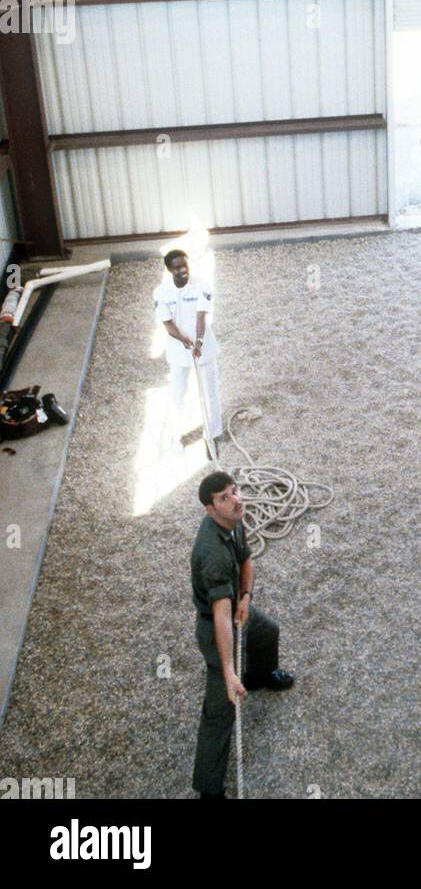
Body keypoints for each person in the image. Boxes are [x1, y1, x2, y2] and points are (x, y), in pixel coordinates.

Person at [191, 471, 294, 799]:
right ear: (210, 509)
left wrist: (246, 598)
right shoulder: (214, 553)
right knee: (221, 708)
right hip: (216, 626)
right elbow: (221, 618)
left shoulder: (234, 519)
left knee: (266, 631)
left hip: (236, 606)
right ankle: (208, 788)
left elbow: (247, 559)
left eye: (234, 491)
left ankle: (261, 676)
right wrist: (228, 671)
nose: (236, 499)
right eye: (224, 497)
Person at [154, 249, 223, 451]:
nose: (183, 270)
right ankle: (176, 436)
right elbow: (167, 324)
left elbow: (201, 317)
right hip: (178, 349)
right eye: (177, 267)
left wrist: (199, 341)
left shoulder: (202, 284)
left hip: (203, 347)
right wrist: (184, 340)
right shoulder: (161, 292)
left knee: (210, 393)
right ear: (169, 269)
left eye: (185, 265)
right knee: (178, 393)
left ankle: (212, 436)